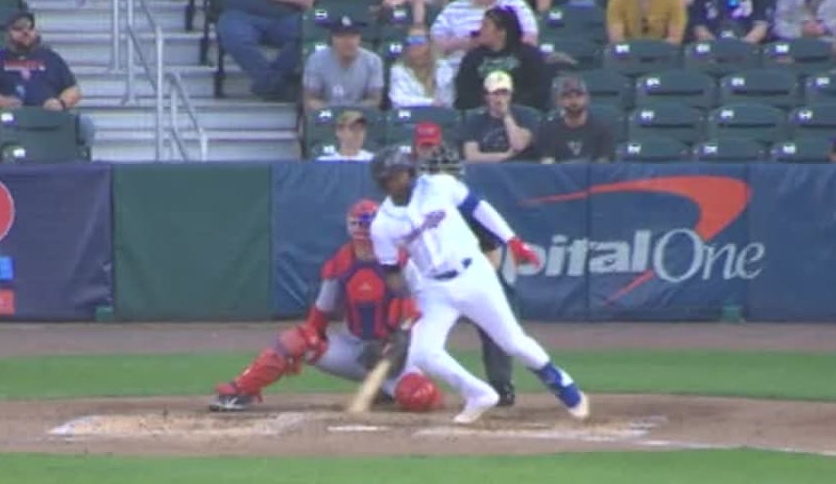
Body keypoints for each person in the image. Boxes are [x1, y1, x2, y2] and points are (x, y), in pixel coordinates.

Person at [368, 148, 588, 424]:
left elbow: (479, 208)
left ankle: (561, 382)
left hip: (474, 273)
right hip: (434, 288)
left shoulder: (439, 185)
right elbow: (391, 271)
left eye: (398, 174)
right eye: (388, 178)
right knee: (422, 353)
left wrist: (512, 240)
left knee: (512, 341)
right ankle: (478, 393)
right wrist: (406, 300)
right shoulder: (382, 224)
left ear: (409, 171)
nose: (395, 181)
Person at [211, 200, 443, 413]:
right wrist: (309, 340)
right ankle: (242, 390)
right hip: (352, 350)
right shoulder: (340, 264)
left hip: (392, 354)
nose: (364, 232)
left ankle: (385, 388)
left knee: (420, 397)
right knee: (297, 339)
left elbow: (424, 303)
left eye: (368, 225)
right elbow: (319, 316)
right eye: (358, 224)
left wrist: (404, 340)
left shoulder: (400, 262)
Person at [413, 122, 518, 408]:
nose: (429, 152)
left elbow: (492, 249)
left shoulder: (463, 200)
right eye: (424, 146)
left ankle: (500, 384)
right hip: (425, 281)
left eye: (432, 146)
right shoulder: (409, 195)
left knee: (497, 313)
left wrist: (473, 283)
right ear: (415, 150)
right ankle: (407, 383)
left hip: (470, 274)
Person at [0, 11, 94, 150]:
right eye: (18, 29)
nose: (26, 32)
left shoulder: (51, 58)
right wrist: (3, 102)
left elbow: (74, 90)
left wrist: (60, 103)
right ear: (7, 34)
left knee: (85, 123)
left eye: (30, 28)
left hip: (48, 114)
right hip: (12, 117)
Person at [216, 0, 320, 101]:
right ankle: (275, 84)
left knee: (315, 30)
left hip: (290, 17)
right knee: (233, 34)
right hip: (244, 14)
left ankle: (271, 82)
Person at [431, 0, 540, 77]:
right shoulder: (452, 9)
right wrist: (462, 43)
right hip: (459, 71)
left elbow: (530, 40)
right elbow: (433, 45)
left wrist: (496, 44)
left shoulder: (516, 5)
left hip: (507, 69)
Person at [452, 6, 550, 111]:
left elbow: (539, 90)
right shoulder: (472, 58)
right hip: (483, 117)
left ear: (502, 31)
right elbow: (464, 93)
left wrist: (509, 107)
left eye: (485, 26)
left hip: (521, 114)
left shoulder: (528, 55)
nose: (479, 30)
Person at [303, 15, 385, 113]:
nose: (348, 41)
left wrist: (350, 114)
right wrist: (336, 113)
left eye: (353, 36)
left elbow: (374, 100)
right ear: (332, 39)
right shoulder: (316, 60)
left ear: (359, 38)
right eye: (342, 36)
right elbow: (310, 100)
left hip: (360, 119)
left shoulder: (373, 61)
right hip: (326, 117)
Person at [460, 70, 540, 161]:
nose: (500, 98)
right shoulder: (475, 118)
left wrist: (506, 115)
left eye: (504, 93)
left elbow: (518, 145)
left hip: (520, 169)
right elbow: (471, 156)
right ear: (486, 96)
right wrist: (505, 156)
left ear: (511, 95)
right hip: (486, 170)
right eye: (495, 93)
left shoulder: (526, 114)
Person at [536, 73, 618, 161]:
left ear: (587, 98)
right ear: (559, 101)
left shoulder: (602, 129)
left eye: (579, 95)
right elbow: (548, 166)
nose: (573, 101)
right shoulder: (548, 130)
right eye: (567, 96)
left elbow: (603, 166)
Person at [689, 0, 776, 43]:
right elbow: (699, 26)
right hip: (711, 53)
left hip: (750, 52)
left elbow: (761, 26)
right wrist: (715, 47)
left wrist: (741, 47)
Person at [606, 0, 689, 44]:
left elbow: (675, 39)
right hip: (628, 56)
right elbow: (616, 39)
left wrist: (651, 51)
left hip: (664, 55)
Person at [389, 25, 456, 107]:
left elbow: (447, 100)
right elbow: (398, 100)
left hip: (439, 116)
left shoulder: (443, 67)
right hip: (409, 117)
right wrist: (430, 102)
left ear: (429, 43)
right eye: (411, 41)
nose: (414, 45)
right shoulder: (398, 69)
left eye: (419, 40)